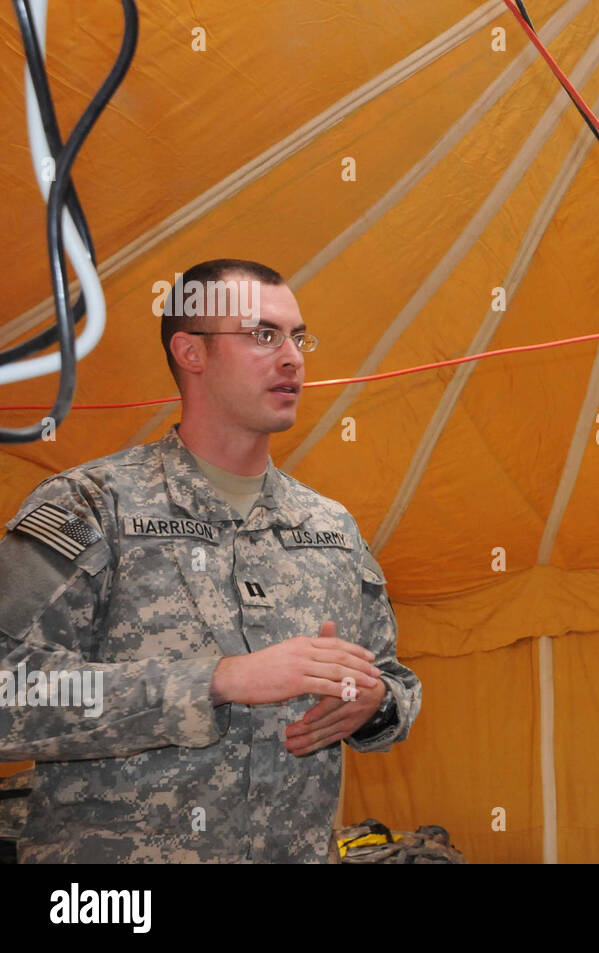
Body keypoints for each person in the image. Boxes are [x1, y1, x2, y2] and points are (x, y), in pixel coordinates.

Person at [0, 258, 422, 862]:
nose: (293, 357)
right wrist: (216, 680)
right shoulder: (91, 507)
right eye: (262, 335)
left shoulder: (330, 527)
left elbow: (394, 681)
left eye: (298, 337)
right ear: (191, 353)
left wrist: (374, 703)